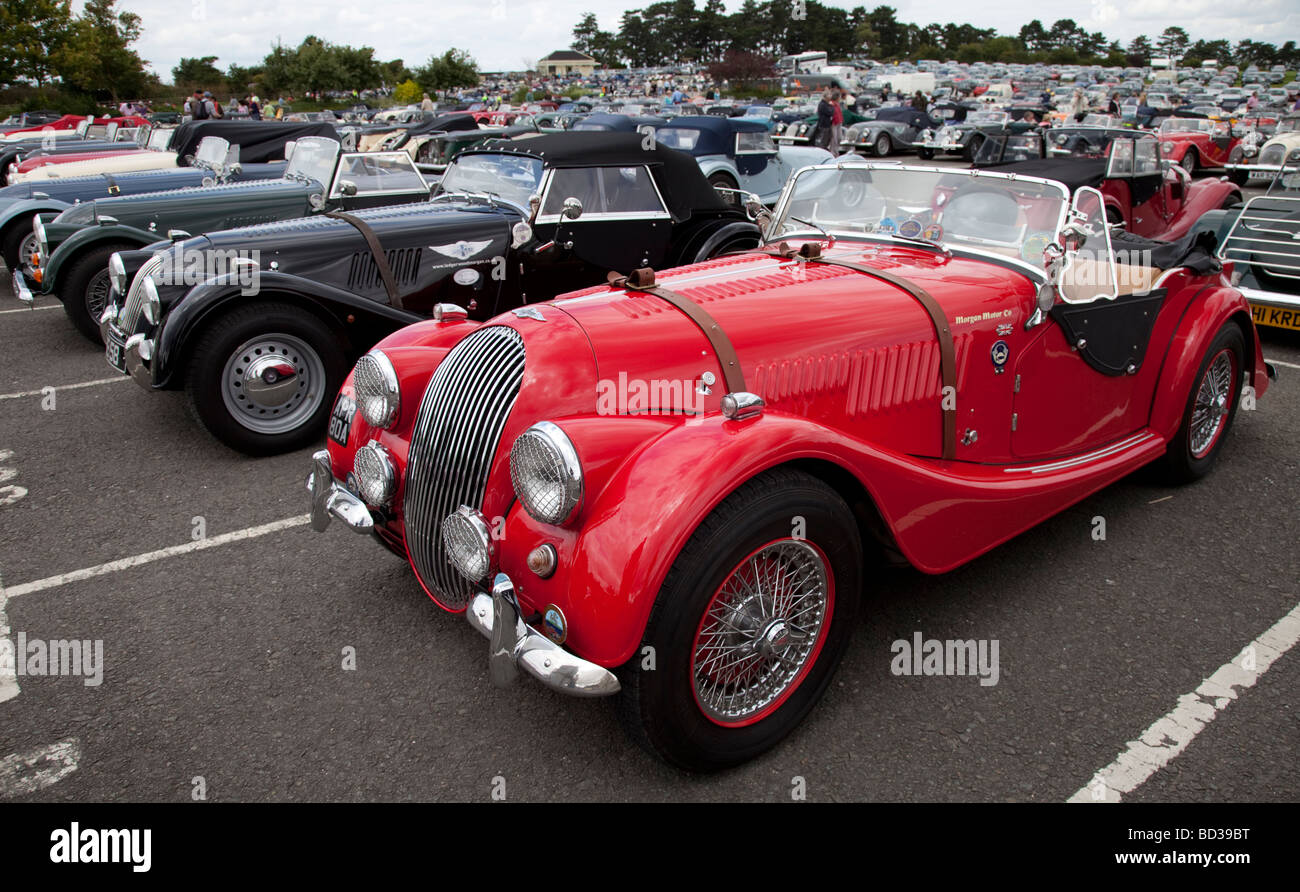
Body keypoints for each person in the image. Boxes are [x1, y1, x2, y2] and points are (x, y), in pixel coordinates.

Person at [830, 90, 844, 156]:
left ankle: (836, 150)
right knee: (834, 138)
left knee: (839, 137)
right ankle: (833, 152)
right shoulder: (832, 104)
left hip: (839, 122)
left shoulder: (837, 105)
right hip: (834, 123)